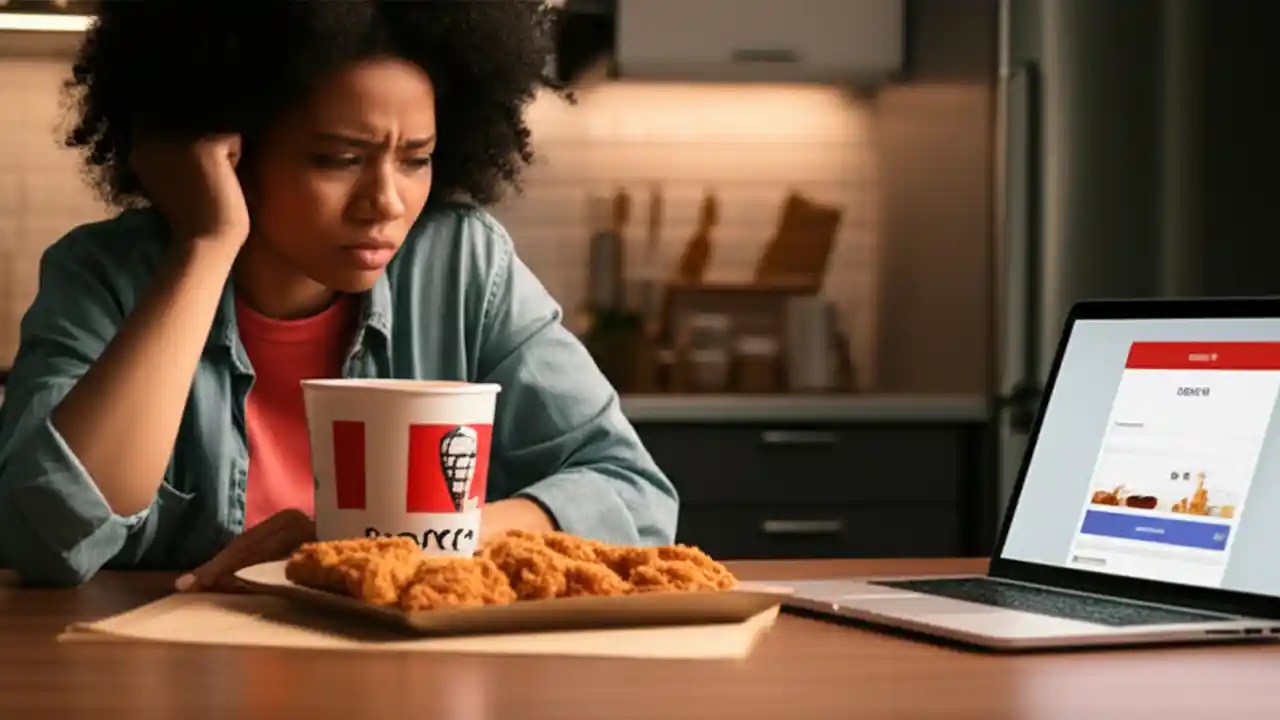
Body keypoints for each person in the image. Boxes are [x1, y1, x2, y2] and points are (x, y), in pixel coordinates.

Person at [0, 0, 677, 589]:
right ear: (229, 149)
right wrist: (205, 244)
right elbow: (45, 540)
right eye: (339, 160)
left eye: (416, 159)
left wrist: (403, 543)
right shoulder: (104, 276)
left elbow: (633, 495)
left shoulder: (462, 265)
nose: (386, 202)